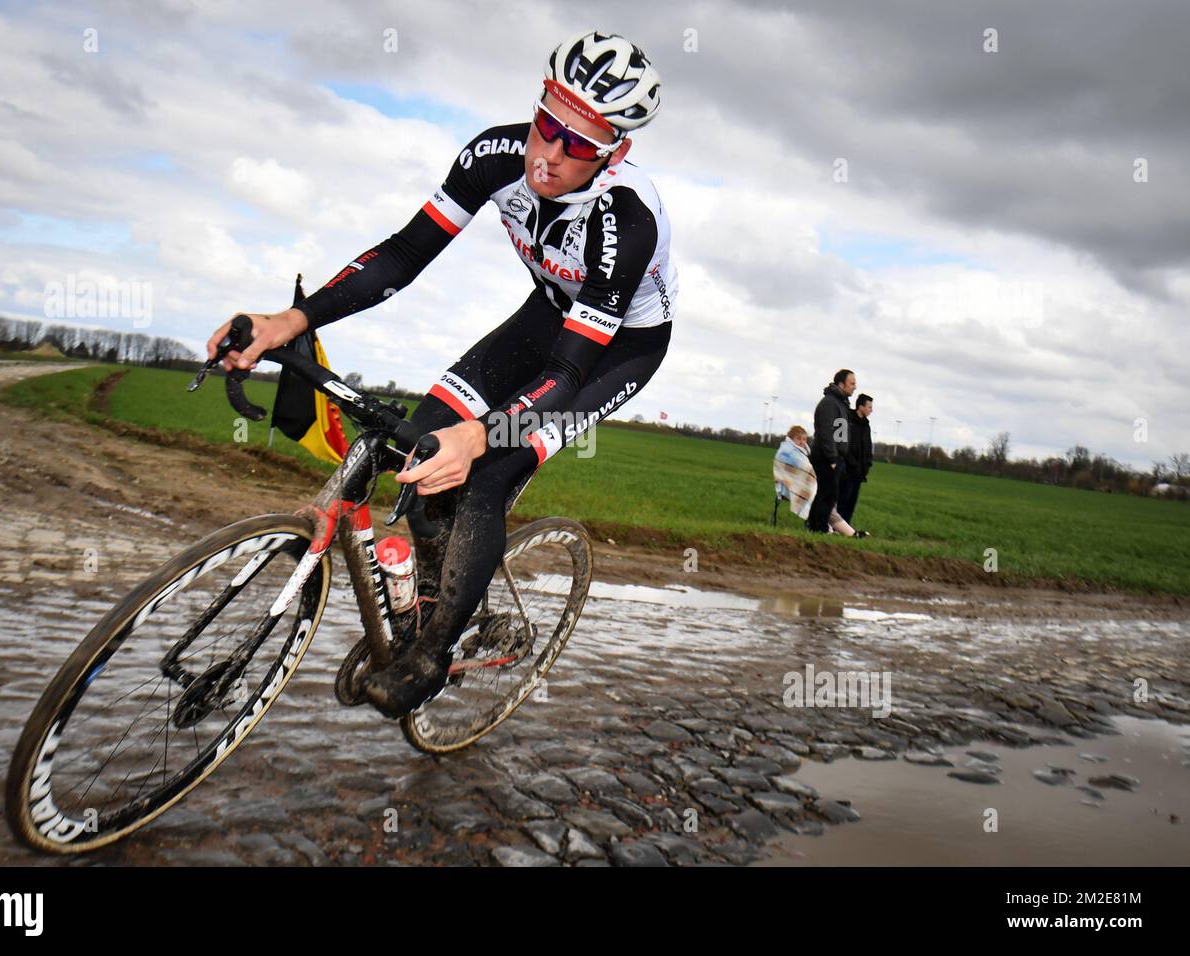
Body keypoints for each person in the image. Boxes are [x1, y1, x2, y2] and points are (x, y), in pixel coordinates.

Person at [205, 31, 676, 718]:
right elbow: (403, 255)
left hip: (615, 349)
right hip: (546, 313)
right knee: (423, 439)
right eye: (547, 124)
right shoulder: (494, 154)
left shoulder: (624, 219)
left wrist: (482, 437)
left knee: (485, 469)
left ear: (616, 151)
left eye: (579, 144)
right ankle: (441, 594)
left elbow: (570, 370)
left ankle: (432, 653)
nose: (548, 155)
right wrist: (292, 320)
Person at [787, 426, 868, 537]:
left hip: (811, 485)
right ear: (791, 439)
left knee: (830, 502)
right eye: (798, 439)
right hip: (802, 488)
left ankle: (837, 530)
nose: (802, 442)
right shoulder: (790, 452)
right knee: (828, 502)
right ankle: (851, 533)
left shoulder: (804, 451)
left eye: (804, 439)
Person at [806, 369, 855, 533]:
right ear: (841, 384)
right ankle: (818, 528)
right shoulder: (829, 403)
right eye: (852, 383)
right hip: (826, 457)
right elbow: (826, 432)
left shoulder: (841, 403)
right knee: (827, 494)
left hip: (836, 457)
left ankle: (814, 526)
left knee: (827, 494)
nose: (855, 387)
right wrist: (833, 458)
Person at [837, 393, 873, 527]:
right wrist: (852, 464)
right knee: (842, 500)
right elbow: (846, 446)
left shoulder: (866, 425)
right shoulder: (848, 420)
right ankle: (837, 527)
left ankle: (846, 527)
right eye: (869, 406)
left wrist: (867, 465)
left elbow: (868, 446)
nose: (871, 410)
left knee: (852, 502)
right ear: (861, 406)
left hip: (860, 473)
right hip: (848, 470)